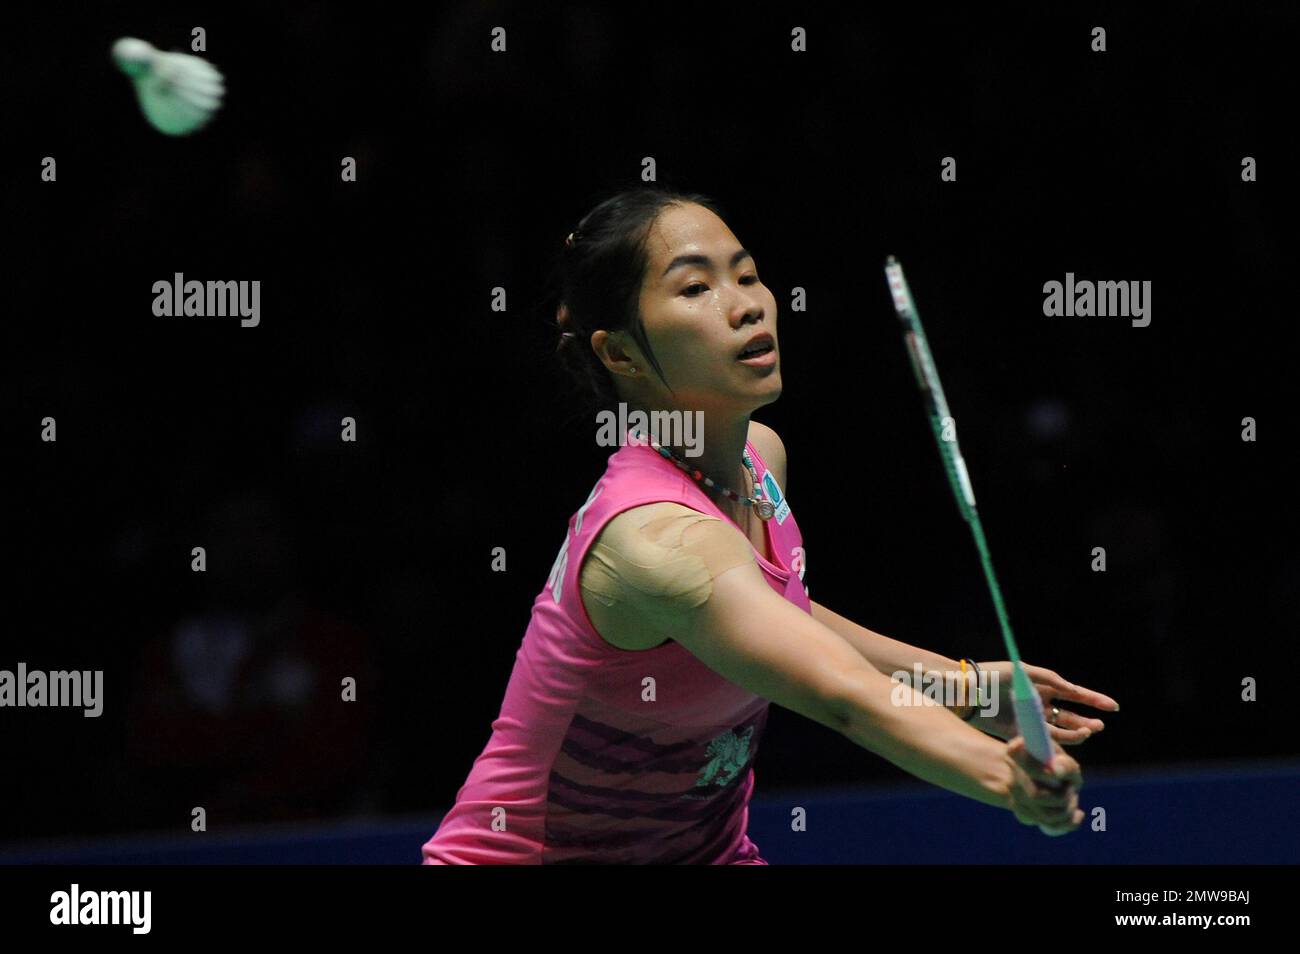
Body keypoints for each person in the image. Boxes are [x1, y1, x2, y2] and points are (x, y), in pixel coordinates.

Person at [421, 187, 1119, 864]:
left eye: (747, 275)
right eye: (695, 289)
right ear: (621, 354)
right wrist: (1002, 774)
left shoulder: (760, 460)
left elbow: (786, 614)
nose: (746, 304)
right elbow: (841, 693)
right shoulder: (654, 540)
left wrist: (961, 688)